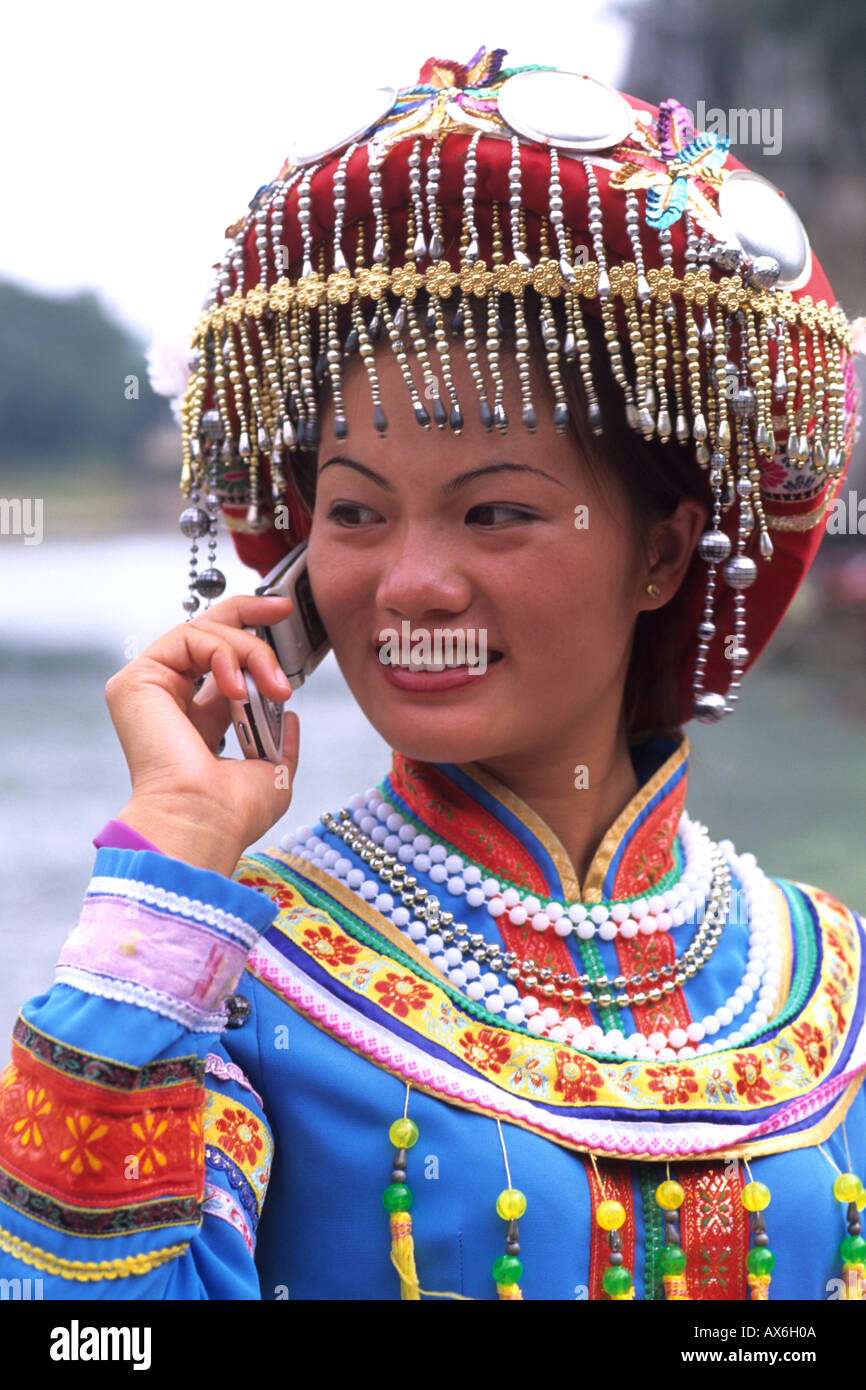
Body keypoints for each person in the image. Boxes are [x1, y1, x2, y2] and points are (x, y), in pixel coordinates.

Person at [1, 47, 864, 1302]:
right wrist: (173, 860)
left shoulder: (821, 978)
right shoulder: (226, 978)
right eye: (354, 516)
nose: (407, 584)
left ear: (664, 554)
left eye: (495, 514)